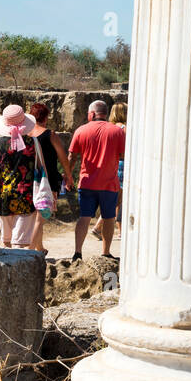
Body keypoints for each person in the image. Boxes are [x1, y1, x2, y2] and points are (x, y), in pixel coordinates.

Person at [67, 100, 126, 261]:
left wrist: (68, 175)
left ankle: (77, 252)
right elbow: (123, 155)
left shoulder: (81, 130)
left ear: (92, 114)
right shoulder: (117, 131)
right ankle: (105, 252)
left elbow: (72, 156)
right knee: (108, 218)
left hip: (87, 183)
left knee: (84, 217)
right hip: (109, 183)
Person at [0, 104, 37, 247]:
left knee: (7, 241)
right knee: (20, 243)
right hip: (26, 197)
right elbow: (41, 169)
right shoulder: (34, 143)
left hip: (2, 197)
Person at [29, 103, 75, 254]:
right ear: (46, 117)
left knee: (35, 216)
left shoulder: (25, 134)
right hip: (47, 181)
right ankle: (28, 252)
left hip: (28, 180)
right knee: (41, 216)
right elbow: (63, 158)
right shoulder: (50, 134)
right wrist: (69, 176)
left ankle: (39, 248)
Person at [91, 101, 127, 239]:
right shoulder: (123, 128)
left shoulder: (108, 127)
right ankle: (99, 227)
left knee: (115, 198)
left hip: (109, 165)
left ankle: (108, 228)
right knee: (118, 199)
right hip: (122, 164)